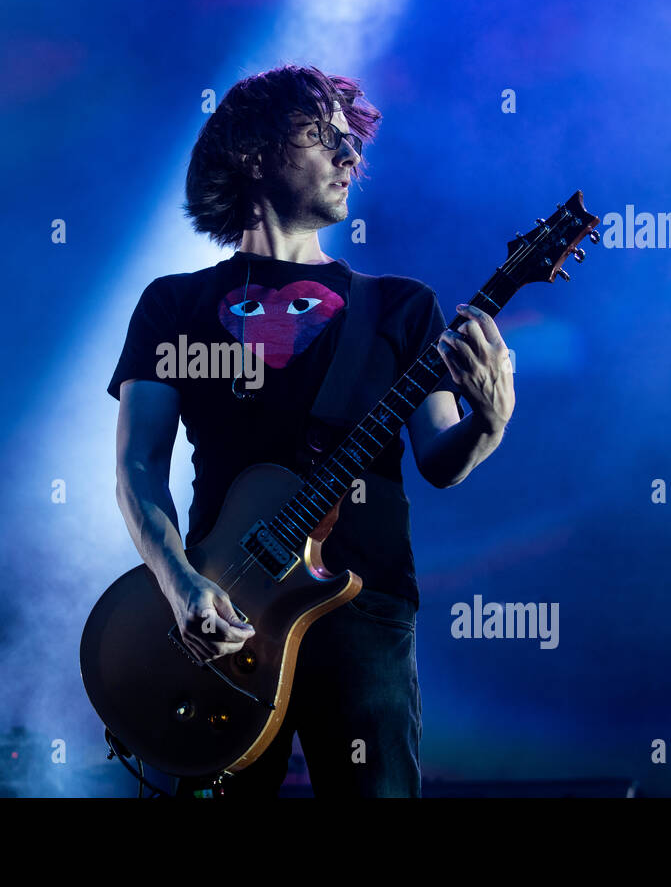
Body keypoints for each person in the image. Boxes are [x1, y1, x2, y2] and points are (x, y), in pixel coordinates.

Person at [107, 64, 513, 797]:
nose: (350, 157)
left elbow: (442, 460)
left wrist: (490, 421)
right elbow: (139, 466)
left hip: (364, 609)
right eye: (324, 138)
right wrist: (181, 587)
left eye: (350, 143)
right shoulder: (175, 303)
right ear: (256, 156)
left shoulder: (399, 308)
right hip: (222, 616)